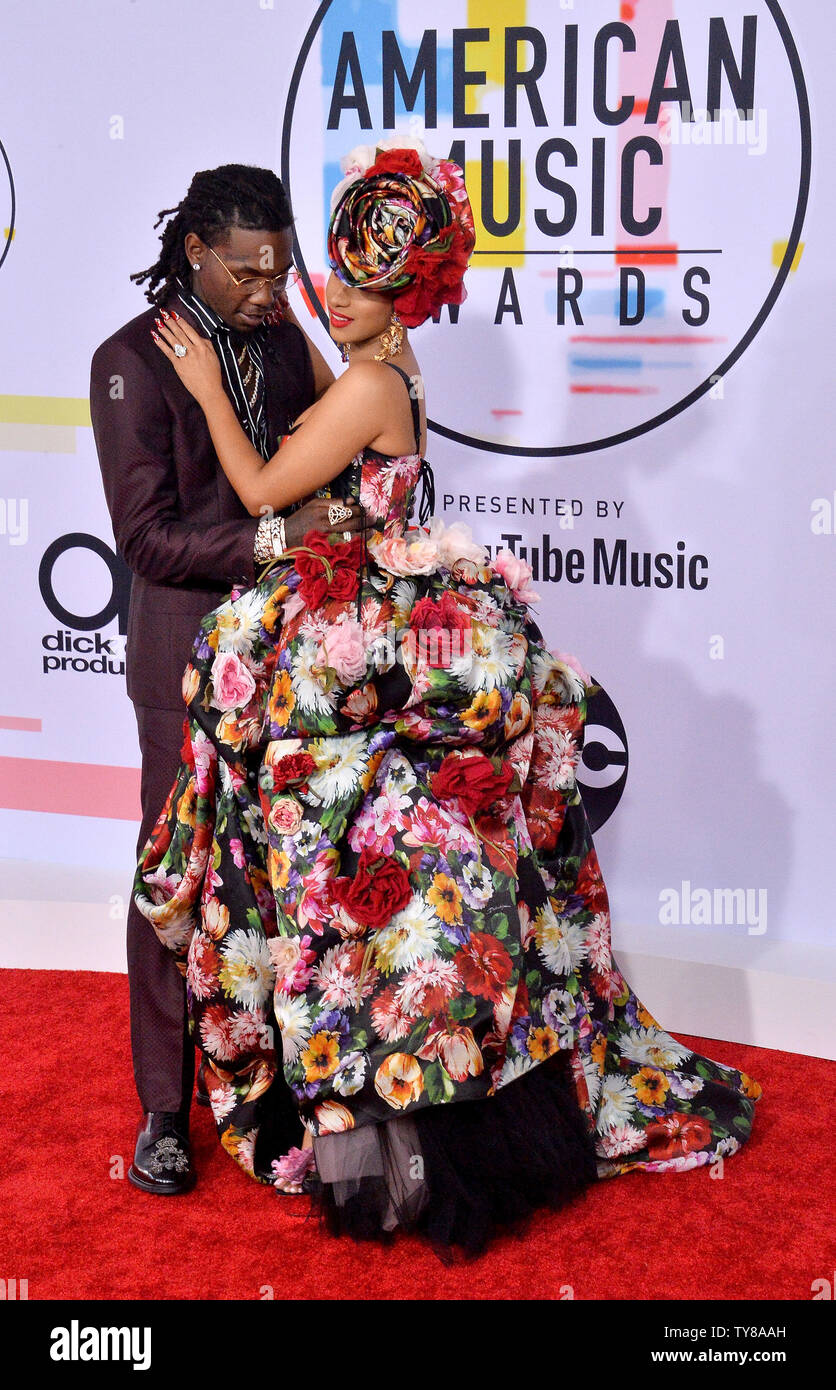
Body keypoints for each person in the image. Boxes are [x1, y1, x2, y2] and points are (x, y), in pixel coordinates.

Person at [133, 140, 761, 1252]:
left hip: (362, 623)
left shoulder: (369, 379)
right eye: (332, 280)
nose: (326, 298)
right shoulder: (388, 365)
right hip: (387, 608)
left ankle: (373, 1108)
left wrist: (198, 390)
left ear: (396, 291)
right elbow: (337, 424)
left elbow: (263, 489)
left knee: (342, 863)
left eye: (351, 285)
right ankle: (397, 1101)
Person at [90, 163, 366, 1196]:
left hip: (290, 656)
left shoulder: (285, 343)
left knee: (285, 876)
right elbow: (148, 539)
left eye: (279, 271)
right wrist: (274, 537)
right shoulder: (128, 363)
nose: (266, 289)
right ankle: (163, 1108)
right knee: (173, 884)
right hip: (184, 664)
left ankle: (280, 1085)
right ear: (195, 251)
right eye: (247, 272)